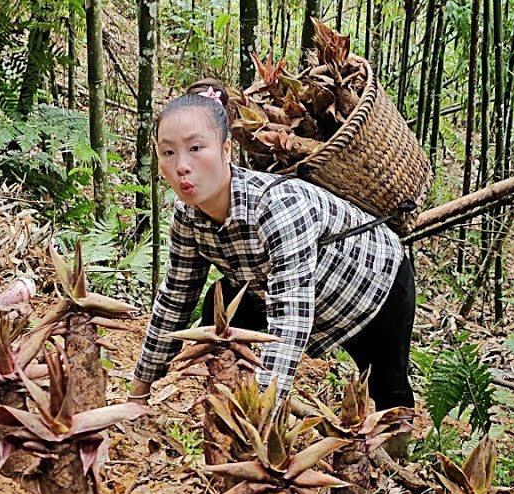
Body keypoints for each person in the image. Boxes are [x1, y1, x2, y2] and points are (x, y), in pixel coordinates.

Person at [128, 78, 416, 412]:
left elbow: (290, 318)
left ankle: (397, 457)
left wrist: (262, 415)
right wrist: (139, 391)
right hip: (272, 287)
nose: (181, 166)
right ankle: (228, 399)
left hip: (371, 284)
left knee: (387, 388)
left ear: (225, 149)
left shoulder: (276, 207)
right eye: (168, 152)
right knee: (219, 309)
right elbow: (175, 299)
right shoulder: (188, 217)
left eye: (195, 148)